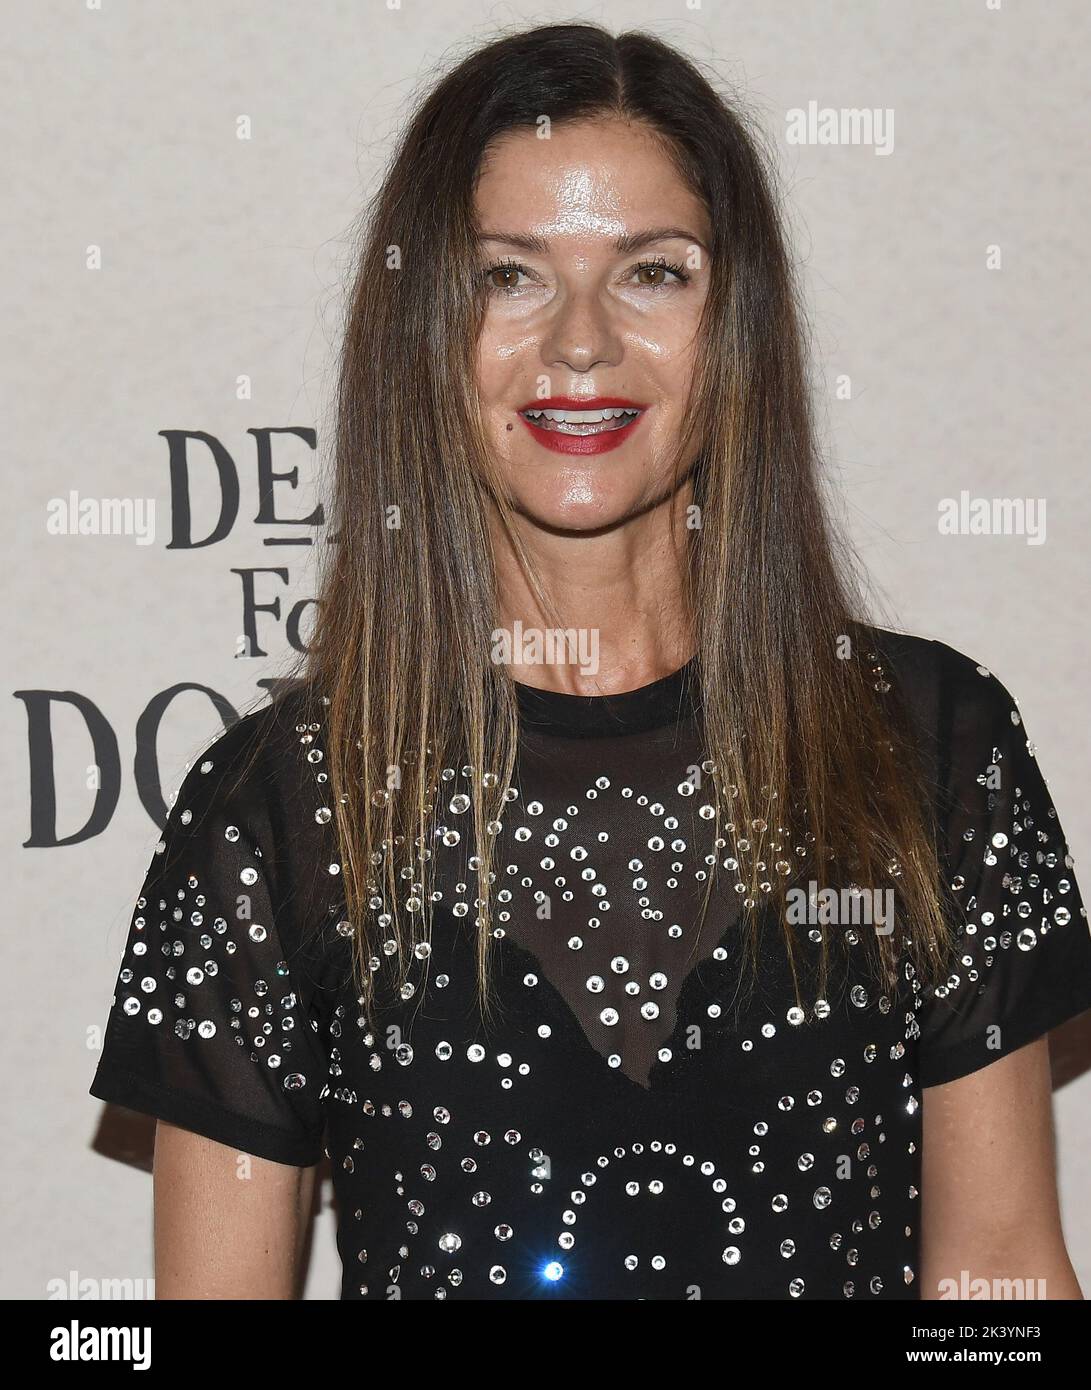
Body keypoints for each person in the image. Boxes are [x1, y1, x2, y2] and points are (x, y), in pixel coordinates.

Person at [90, 22, 1091, 1301]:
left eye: (650, 274)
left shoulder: (928, 741)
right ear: (424, 328)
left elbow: (997, 1275)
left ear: (733, 319)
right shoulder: (282, 806)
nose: (577, 342)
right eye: (507, 276)